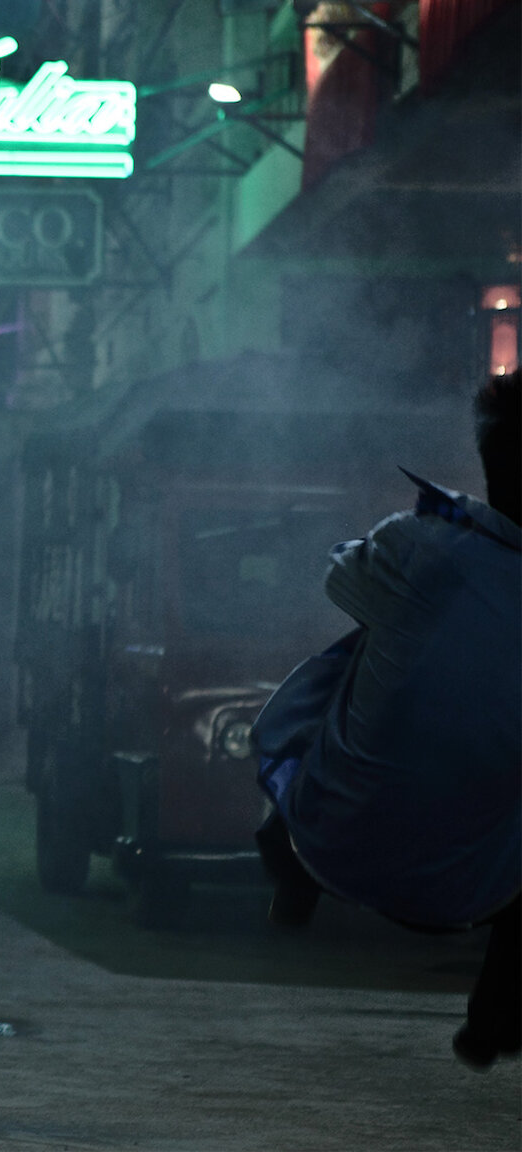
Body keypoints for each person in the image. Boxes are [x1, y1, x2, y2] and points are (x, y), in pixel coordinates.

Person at [253, 372, 519, 1069]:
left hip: (334, 839)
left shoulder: (418, 547)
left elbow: (340, 576)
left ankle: (285, 861)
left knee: (363, 645)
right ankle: (491, 1022)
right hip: (471, 888)